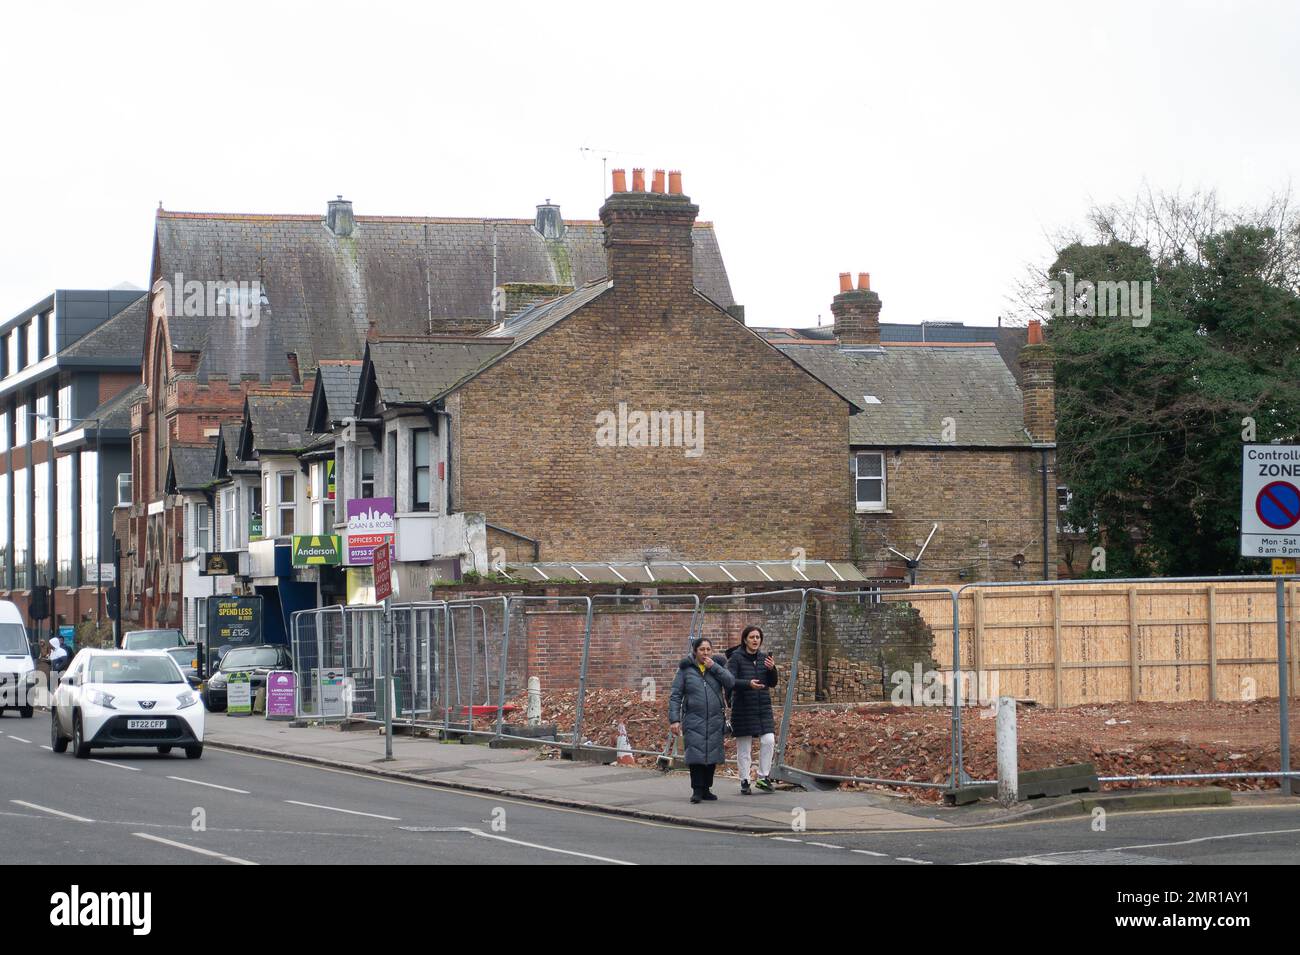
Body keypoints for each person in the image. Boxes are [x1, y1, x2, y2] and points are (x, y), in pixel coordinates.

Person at [668, 637, 735, 804]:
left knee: (711, 753)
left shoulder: (716, 667)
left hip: (714, 718)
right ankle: (697, 790)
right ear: (695, 651)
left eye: (708, 649)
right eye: (702, 650)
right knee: (696, 754)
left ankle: (707, 789)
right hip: (693, 718)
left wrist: (715, 668)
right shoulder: (685, 670)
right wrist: (674, 720)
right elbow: (676, 695)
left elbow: (730, 682)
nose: (705, 653)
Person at [726, 625, 778, 794]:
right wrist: (748, 684)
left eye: (758, 637)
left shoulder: (764, 658)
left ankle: (763, 777)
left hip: (762, 706)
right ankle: (745, 780)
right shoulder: (736, 658)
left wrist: (772, 670)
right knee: (744, 746)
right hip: (743, 707)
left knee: (769, 740)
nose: (755, 640)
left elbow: (772, 683)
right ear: (745, 640)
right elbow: (730, 681)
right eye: (752, 637)